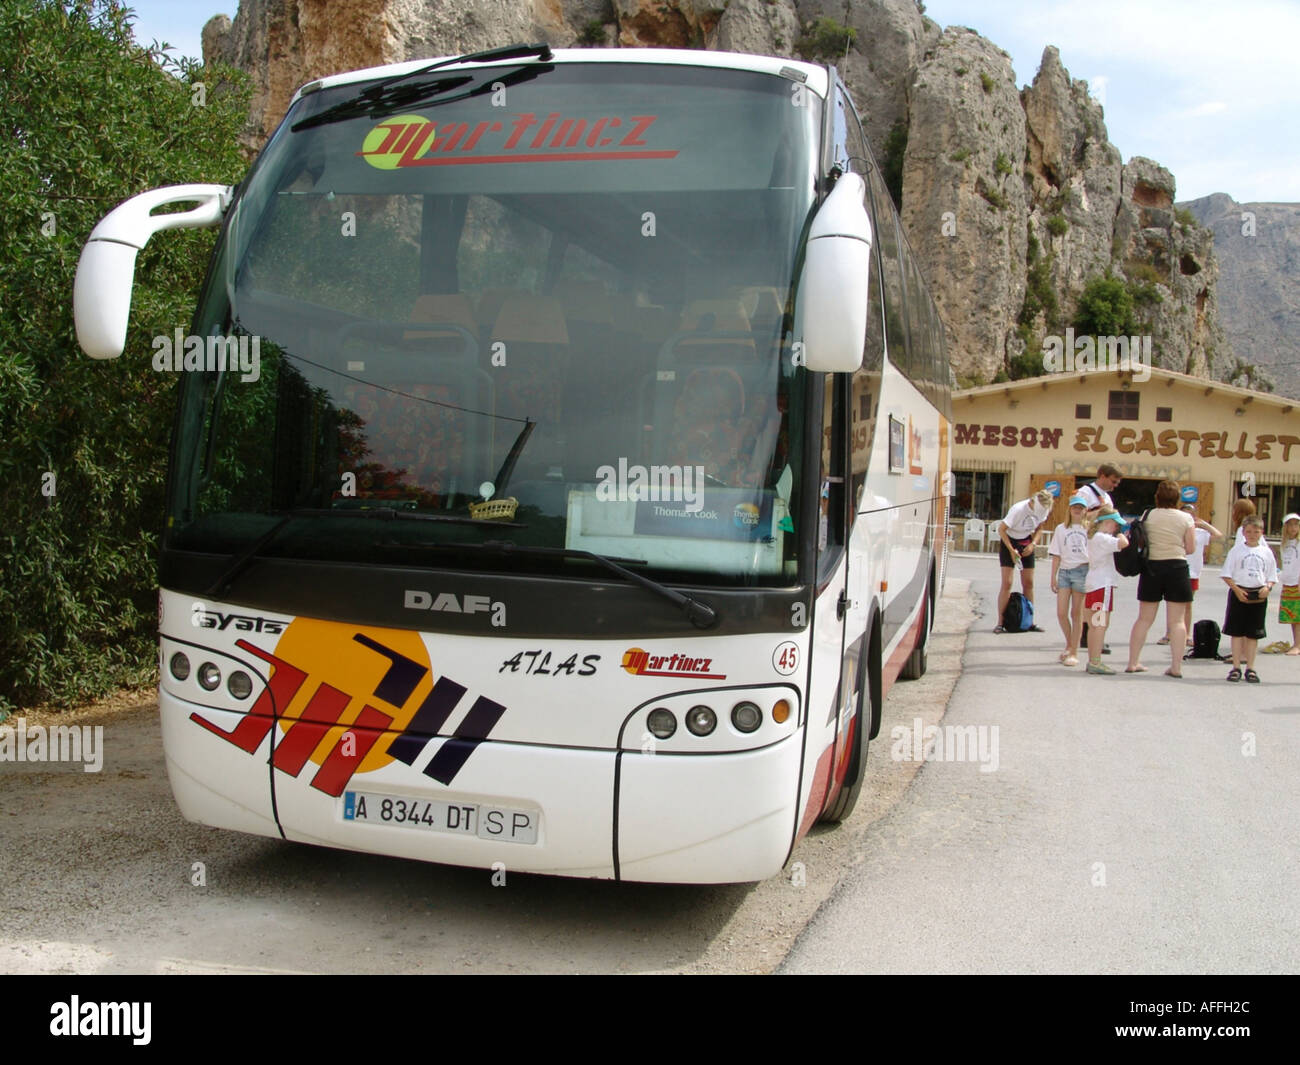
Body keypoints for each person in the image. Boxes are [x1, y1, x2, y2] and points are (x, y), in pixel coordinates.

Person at [1125, 480, 1196, 676]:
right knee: (1177, 621)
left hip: (1152, 566)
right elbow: (1191, 548)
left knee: (1144, 618)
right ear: (1177, 497)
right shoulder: (1185, 518)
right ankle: (1176, 667)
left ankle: (1133, 662)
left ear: (1158, 496)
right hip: (1177, 567)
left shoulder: (1148, 515)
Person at [1221, 515, 1277, 682]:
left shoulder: (1266, 552)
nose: (1252, 534)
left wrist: (1268, 587)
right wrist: (1237, 590)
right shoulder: (1237, 551)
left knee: (1253, 634)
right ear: (1243, 533)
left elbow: (1272, 575)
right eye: (1249, 531)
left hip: (1258, 593)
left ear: (1261, 533)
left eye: (1256, 531)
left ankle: (1251, 667)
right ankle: (1236, 666)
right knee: (1237, 632)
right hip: (1240, 591)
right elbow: (1226, 574)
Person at [1158, 502, 1221, 644]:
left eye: (1190, 514)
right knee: (1172, 603)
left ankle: (1186, 634)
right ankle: (1169, 633)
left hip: (1192, 572)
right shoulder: (1175, 530)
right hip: (1175, 568)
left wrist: (1204, 524)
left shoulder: (1199, 533)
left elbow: (1217, 535)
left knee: (1187, 604)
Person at [994, 489, 1053, 633]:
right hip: (1009, 541)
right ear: (1032, 502)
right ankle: (1000, 622)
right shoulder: (1018, 510)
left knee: (1028, 583)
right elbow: (1001, 530)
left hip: (1027, 541)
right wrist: (1011, 550)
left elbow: (1040, 528)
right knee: (1007, 583)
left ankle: (1029, 621)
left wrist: (1033, 544)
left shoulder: (1044, 510)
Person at [1077, 465, 1122, 653]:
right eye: (1113, 481)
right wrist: (1100, 511)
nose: (1114, 486)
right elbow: (1078, 516)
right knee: (1096, 610)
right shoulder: (1085, 493)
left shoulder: (1107, 496)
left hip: (1098, 555)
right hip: (1088, 548)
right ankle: (1090, 641)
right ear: (1102, 476)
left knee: (1094, 608)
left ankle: (1092, 638)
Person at [1084, 511, 1129, 674]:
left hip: (1094, 583)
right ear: (1106, 522)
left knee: (1094, 625)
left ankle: (1093, 659)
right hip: (1102, 585)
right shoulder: (1102, 538)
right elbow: (1123, 543)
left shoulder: (1093, 537)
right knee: (1100, 624)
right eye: (1114, 524)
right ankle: (1095, 661)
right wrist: (1120, 534)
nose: (1116, 527)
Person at [1048, 494, 1090, 666]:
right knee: (1061, 612)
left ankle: (1074, 651)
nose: (1077, 510)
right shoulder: (1061, 529)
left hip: (1082, 570)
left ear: (1085, 510)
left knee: (1076, 613)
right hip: (1065, 571)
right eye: (1075, 507)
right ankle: (1069, 643)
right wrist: (1053, 576)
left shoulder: (1089, 528)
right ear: (1070, 509)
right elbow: (1056, 554)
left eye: (1080, 507)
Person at [1279, 512, 1300, 654]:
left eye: (1296, 524)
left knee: (1298, 616)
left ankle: (1298, 645)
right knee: (1292, 616)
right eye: (1290, 524)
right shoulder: (1284, 544)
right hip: (1288, 583)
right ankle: (1295, 642)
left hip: (1297, 583)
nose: (1293, 527)